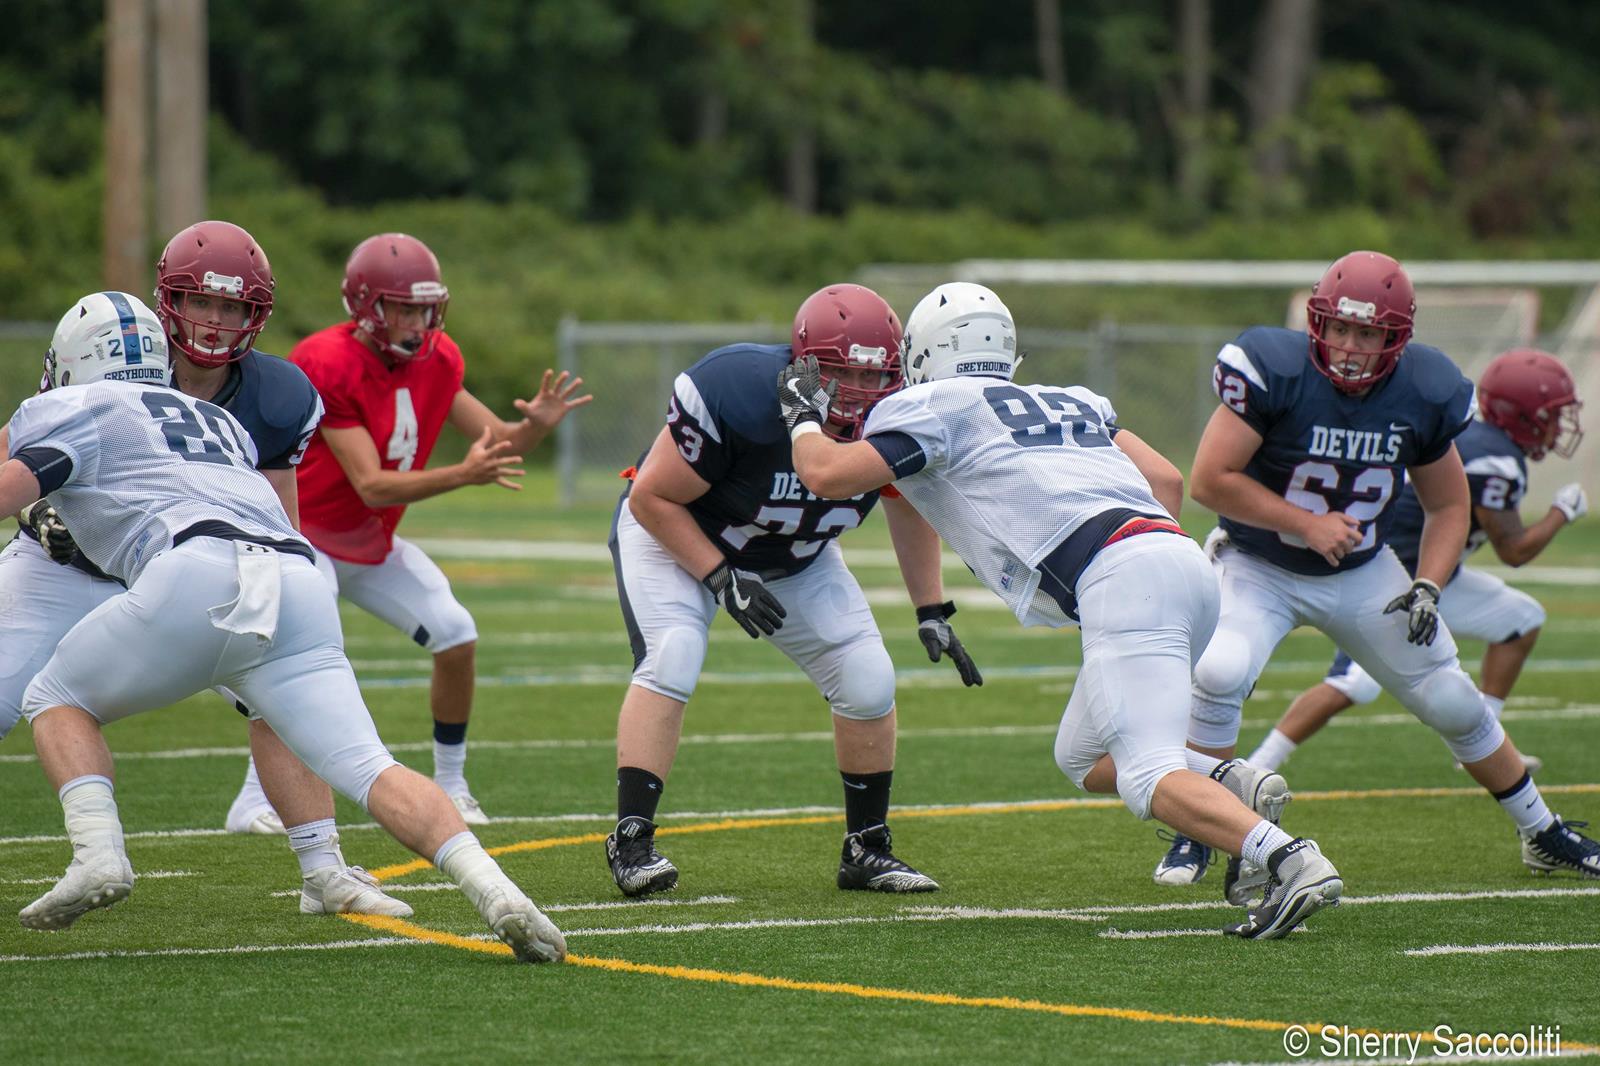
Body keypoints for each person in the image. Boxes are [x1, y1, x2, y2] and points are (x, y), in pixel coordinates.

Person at [1, 293, 564, 963]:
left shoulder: (75, 405)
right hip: (295, 581)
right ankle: (499, 891)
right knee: (370, 766)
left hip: (190, 571)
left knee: (57, 699)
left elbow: (12, 489)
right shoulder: (217, 421)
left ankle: (99, 855)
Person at [778, 281, 1339, 939]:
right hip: (1180, 562)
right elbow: (1166, 481)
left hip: (1127, 575)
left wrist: (803, 416)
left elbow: (825, 475)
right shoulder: (1066, 397)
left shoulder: (935, 403)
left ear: (924, 355)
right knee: (1082, 756)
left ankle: (1289, 858)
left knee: (1145, 774)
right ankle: (1226, 781)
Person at [1156, 251, 1599, 896]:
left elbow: (1450, 505)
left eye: (1366, 333)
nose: (1348, 346)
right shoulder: (1275, 371)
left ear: (1396, 339)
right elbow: (1209, 480)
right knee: (1219, 669)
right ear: (1317, 323)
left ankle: (1541, 830)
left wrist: (1429, 584)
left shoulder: (1423, 390)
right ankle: (1200, 824)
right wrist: (1307, 524)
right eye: (1338, 328)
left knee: (1453, 700)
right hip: (1259, 561)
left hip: (1360, 572)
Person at [4, 221, 408, 919]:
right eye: (201, 303)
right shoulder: (120, 350)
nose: (215, 322)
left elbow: (280, 514)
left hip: (195, 563)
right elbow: (24, 448)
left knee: (278, 696)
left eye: (232, 307)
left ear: (257, 316)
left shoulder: (276, 397)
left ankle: (323, 867)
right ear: (169, 303)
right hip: (66, 561)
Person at [605, 283, 974, 899]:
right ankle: (632, 840)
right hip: (681, 534)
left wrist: (930, 608)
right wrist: (720, 577)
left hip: (797, 557)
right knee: (673, 654)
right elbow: (651, 497)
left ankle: (867, 848)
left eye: (873, 375)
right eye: (837, 373)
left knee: (868, 679)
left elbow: (907, 504)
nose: (857, 392)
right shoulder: (739, 388)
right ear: (802, 365)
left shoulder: (903, 407)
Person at [271, 232, 590, 826]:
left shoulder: (440, 359)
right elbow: (372, 483)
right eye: (404, 307)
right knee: (300, 656)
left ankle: (451, 783)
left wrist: (538, 428)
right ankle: (256, 797)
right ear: (367, 307)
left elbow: (497, 440)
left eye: (425, 307)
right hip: (304, 536)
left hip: (368, 542)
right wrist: (463, 476)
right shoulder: (327, 360)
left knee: (456, 634)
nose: (418, 320)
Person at [1246, 349, 1585, 778]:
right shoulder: (1495, 460)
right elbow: (1514, 551)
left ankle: (1483, 738)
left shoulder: (1481, 443)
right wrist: (1562, 512)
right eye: (1550, 415)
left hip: (1437, 575)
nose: (1556, 427)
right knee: (1355, 684)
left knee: (1521, 618)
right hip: (1394, 579)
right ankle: (1259, 763)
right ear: (1523, 414)